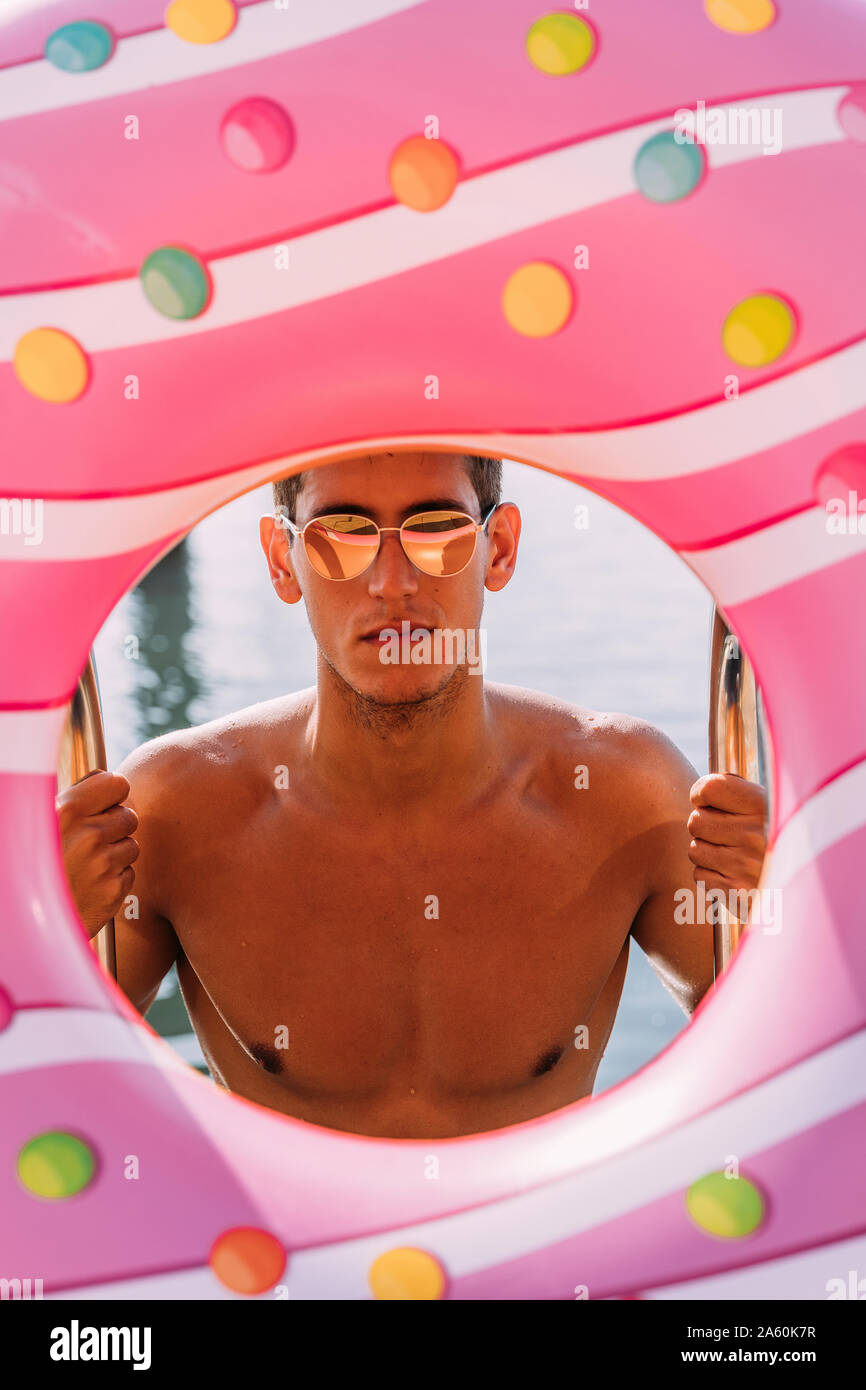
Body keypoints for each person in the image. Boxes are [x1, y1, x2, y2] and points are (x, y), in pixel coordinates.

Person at [56, 451, 768, 1139]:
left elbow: (784, 1061)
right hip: (285, 1260)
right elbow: (52, 1102)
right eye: (342, 537)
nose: (392, 583)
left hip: (535, 1256)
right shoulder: (173, 812)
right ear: (283, 560)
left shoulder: (623, 796)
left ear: (500, 548)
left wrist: (786, 910)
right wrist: (40, 929)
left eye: (436, 533)